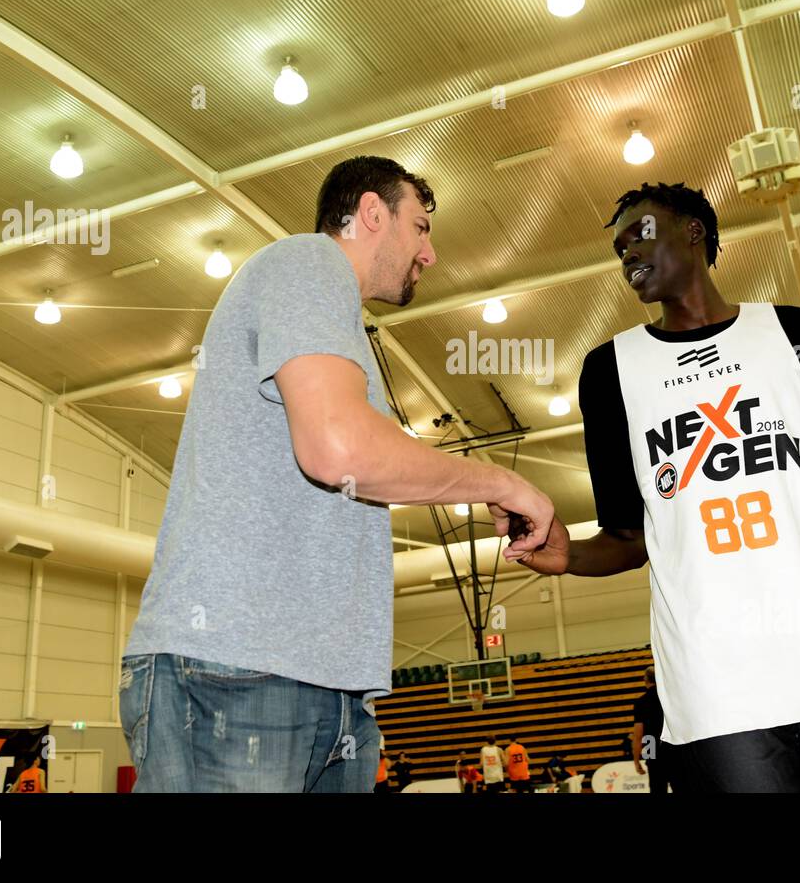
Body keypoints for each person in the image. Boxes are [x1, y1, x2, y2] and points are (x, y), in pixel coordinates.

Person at [120, 157, 554, 792]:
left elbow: (357, 454)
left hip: (323, 682)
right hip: (237, 668)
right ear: (373, 214)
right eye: (421, 226)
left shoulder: (343, 328)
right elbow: (338, 451)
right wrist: (503, 482)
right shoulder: (306, 262)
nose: (428, 253)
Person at [506, 182, 800, 792]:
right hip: (715, 692)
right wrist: (570, 554)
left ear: (695, 232)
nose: (627, 257)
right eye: (617, 251)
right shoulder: (610, 371)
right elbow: (629, 537)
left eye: (638, 235)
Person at [632, 667, 670, 793]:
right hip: (671, 744)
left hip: (650, 745)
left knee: (657, 787)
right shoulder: (668, 697)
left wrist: (637, 761)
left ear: (645, 680)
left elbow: (638, 735)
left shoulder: (640, 702)